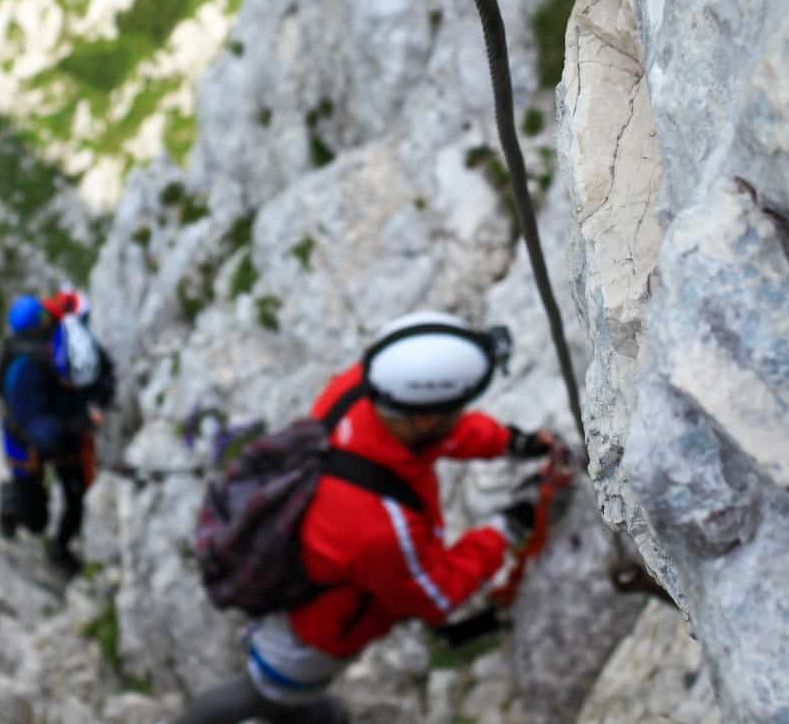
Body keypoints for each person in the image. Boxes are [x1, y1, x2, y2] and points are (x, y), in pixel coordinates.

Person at [176, 310, 563, 724]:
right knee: (273, 697)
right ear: (424, 417)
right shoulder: (377, 526)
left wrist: (512, 443)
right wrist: (509, 526)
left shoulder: (363, 390)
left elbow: (441, 433)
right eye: (456, 408)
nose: (461, 414)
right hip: (314, 636)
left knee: (285, 699)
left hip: (301, 585)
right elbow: (434, 595)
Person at [0, 289, 117, 577]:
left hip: (59, 429)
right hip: (31, 435)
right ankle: (13, 501)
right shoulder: (26, 366)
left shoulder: (70, 342)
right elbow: (39, 427)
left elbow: (102, 372)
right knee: (35, 518)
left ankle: (61, 548)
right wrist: (78, 420)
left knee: (78, 495)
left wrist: (96, 402)